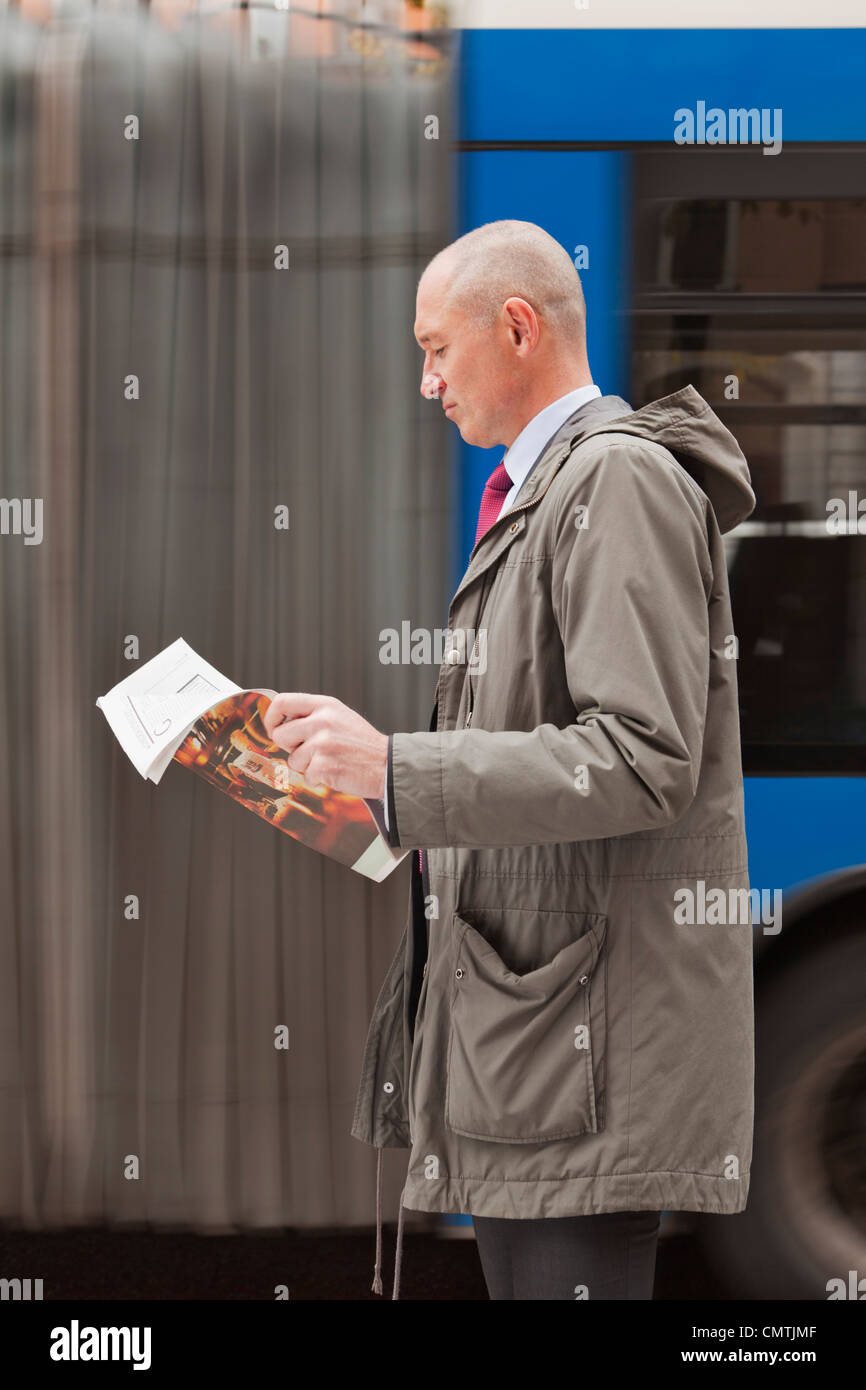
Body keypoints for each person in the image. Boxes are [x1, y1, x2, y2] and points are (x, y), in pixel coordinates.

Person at [262, 219, 756, 1301]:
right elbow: (537, 758)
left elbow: (638, 759)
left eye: (436, 349)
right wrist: (357, 793)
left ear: (517, 327)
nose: (428, 382)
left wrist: (399, 769)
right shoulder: (548, 496)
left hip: (582, 1055)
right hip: (541, 1049)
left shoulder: (610, 486)